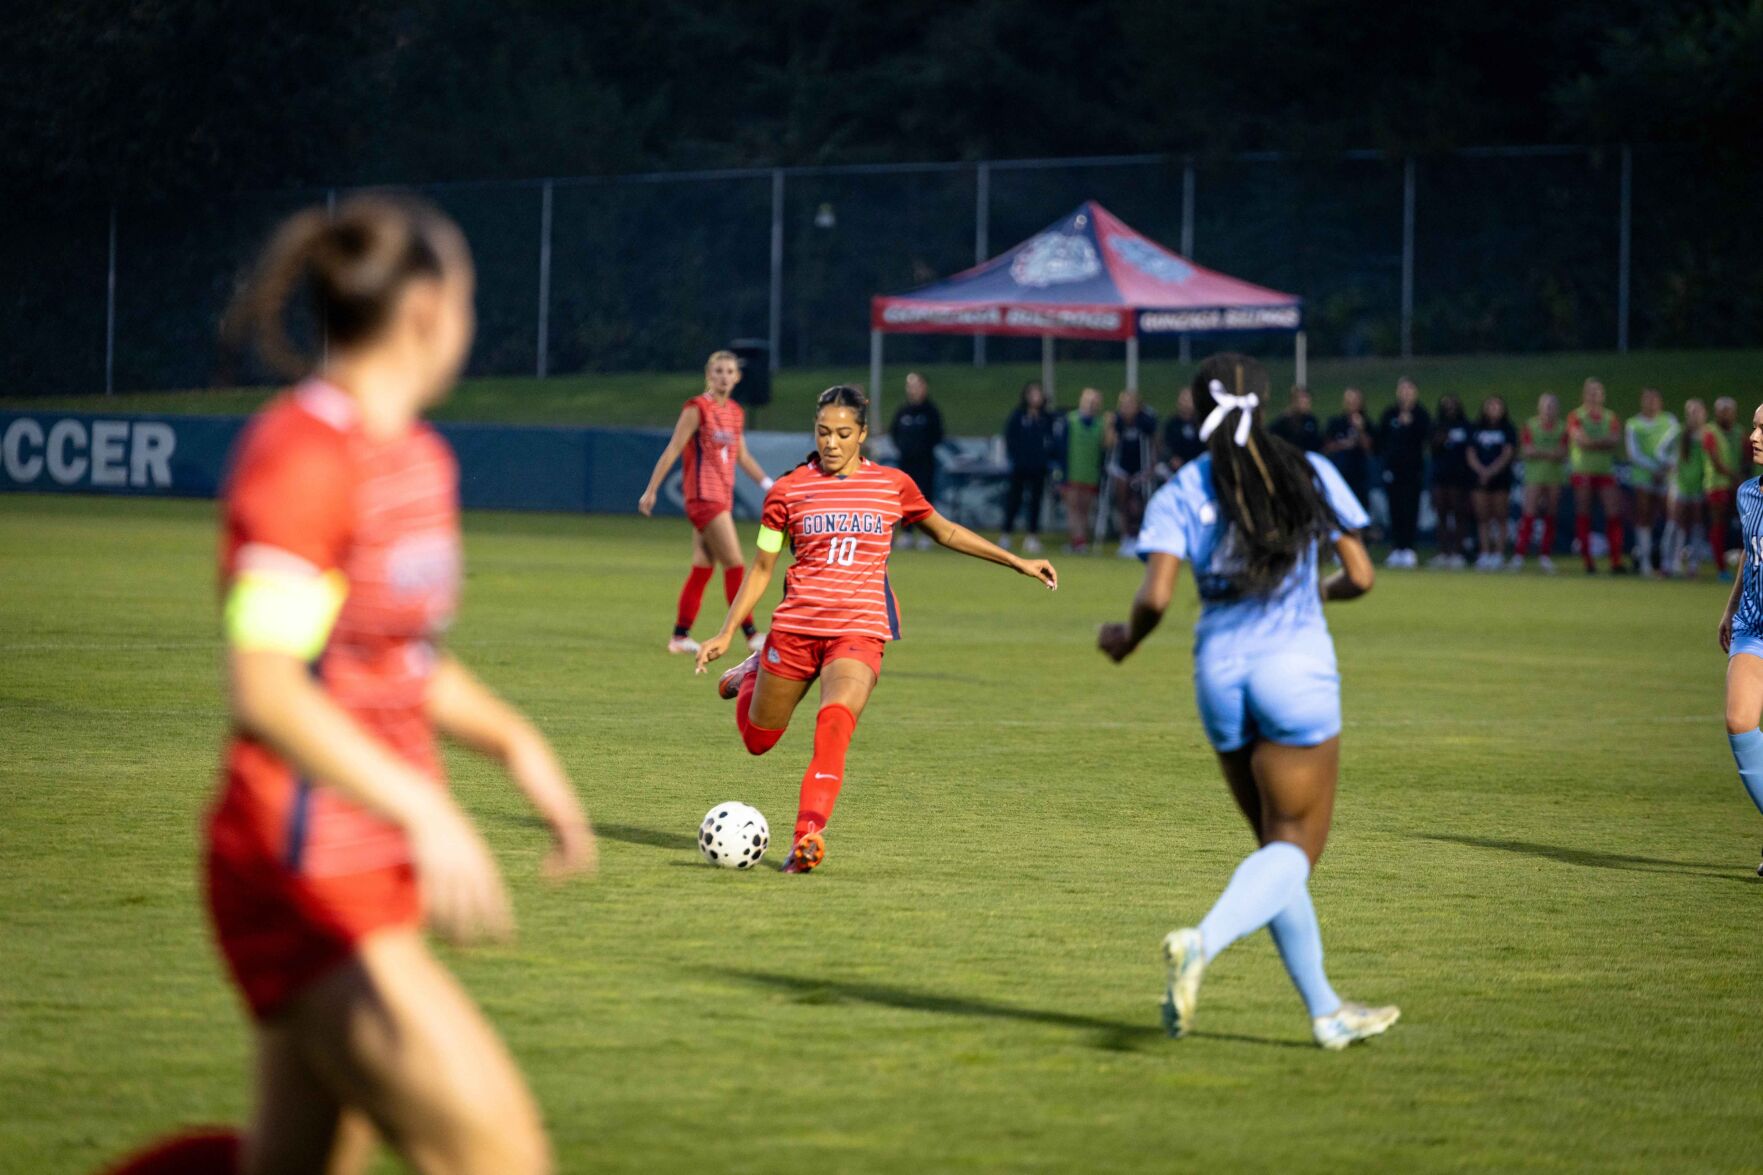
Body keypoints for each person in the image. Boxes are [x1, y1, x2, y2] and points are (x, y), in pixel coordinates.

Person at [106, 196, 594, 1175]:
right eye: (467, 298)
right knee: (500, 1157)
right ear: (424, 310)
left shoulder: (418, 458)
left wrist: (513, 742)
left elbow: (389, 657)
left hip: (367, 861)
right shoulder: (301, 456)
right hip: (299, 869)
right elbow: (267, 685)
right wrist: (426, 805)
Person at [1097, 352, 1396, 1051]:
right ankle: (1201, 942)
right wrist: (1318, 591)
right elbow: (1360, 574)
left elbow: (1156, 597)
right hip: (1295, 670)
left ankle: (1326, 1011)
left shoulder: (1183, 486)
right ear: (1265, 403)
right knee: (1293, 850)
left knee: (1272, 849)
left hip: (1218, 674)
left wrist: (1126, 640)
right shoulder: (1306, 469)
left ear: (1195, 410)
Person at [695, 386, 1057, 873]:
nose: (832, 442)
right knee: (757, 741)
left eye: (844, 433)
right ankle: (752, 672)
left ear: (863, 434)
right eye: (823, 432)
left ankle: (807, 838)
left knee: (835, 721)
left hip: (859, 629)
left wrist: (1017, 562)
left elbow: (946, 530)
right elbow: (762, 568)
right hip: (796, 630)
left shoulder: (893, 485)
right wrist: (726, 631)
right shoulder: (786, 491)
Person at [639, 350, 774, 654]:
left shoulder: (735, 412)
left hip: (721, 497)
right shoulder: (697, 408)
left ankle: (680, 635)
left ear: (737, 377)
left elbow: (742, 456)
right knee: (736, 564)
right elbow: (674, 448)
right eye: (718, 371)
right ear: (708, 375)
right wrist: (652, 489)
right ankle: (751, 634)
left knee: (703, 566)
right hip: (703, 497)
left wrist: (769, 485)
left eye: (729, 372)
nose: (724, 377)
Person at [1715, 399, 1763, 876]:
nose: (1753, 436)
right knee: (1738, 720)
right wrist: (1731, 608)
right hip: (1753, 623)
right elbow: (1751, 553)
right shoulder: (1748, 493)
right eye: (1753, 426)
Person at [1567, 378, 1626, 574]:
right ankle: (1588, 561)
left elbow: (1614, 440)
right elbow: (1580, 440)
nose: (1594, 396)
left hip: (1605, 470)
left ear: (1602, 396)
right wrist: (1602, 442)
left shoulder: (1610, 417)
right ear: (1584, 395)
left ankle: (1616, 561)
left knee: (1613, 513)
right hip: (1583, 470)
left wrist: (1592, 442)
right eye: (1590, 392)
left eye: (1597, 393)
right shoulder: (1576, 416)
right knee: (1583, 513)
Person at [1624, 388, 1679, 575]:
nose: (1651, 403)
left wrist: (1666, 467)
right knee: (1644, 516)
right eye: (1648, 400)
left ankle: (1670, 561)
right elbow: (1634, 453)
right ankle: (1645, 562)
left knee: (1672, 516)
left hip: (1666, 475)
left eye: (1654, 400)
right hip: (1644, 476)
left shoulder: (1669, 420)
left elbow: (1675, 447)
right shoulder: (1633, 424)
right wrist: (1654, 469)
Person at [1511, 393, 1568, 572]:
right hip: (1534, 476)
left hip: (1554, 476)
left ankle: (1545, 555)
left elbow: (1563, 452)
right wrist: (1551, 453)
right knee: (1528, 514)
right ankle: (1519, 555)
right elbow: (1527, 450)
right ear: (1539, 407)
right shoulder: (1531, 425)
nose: (1549, 409)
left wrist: (1540, 451)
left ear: (1557, 409)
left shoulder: (1562, 427)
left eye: (1552, 406)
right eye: (1546, 405)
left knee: (1551, 515)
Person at [1376, 378, 1429, 568]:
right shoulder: (1390, 413)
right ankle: (1397, 548)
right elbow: (1380, 440)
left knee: (1410, 509)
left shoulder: (1421, 414)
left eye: (1409, 389)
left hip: (1413, 471)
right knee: (1395, 509)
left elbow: (1427, 437)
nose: (1405, 393)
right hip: (1393, 470)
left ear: (1415, 392)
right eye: (1402, 389)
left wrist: (1411, 424)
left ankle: (1409, 548)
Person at [889, 371, 944, 550]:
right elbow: (894, 432)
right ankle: (907, 533)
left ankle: (926, 534)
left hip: (925, 462)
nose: (913, 390)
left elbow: (938, 434)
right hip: (906, 463)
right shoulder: (903, 412)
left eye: (917, 386)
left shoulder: (931, 412)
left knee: (925, 497)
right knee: (905, 498)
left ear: (924, 388)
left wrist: (922, 448)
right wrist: (904, 448)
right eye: (910, 386)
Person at [1000, 380, 1057, 553]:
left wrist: (1046, 458)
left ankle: (1032, 536)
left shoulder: (1046, 418)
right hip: (1020, 466)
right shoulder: (1018, 415)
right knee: (1014, 500)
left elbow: (1051, 440)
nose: (1035, 398)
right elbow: (1010, 437)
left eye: (1038, 394)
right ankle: (1006, 534)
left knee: (1035, 502)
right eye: (1032, 394)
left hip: (1038, 467)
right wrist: (1015, 457)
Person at [1105, 388, 1157, 557]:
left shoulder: (1145, 421)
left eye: (1130, 404)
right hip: (1122, 467)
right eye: (1123, 404)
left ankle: (1142, 536)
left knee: (1139, 504)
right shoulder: (1117, 421)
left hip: (1141, 467)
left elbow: (1153, 443)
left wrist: (1150, 467)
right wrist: (1110, 426)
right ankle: (1125, 537)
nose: (1126, 408)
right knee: (1123, 500)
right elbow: (1108, 444)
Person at [1467, 395, 1517, 570]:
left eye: (1498, 406)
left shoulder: (1507, 429)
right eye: (1491, 406)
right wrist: (1481, 471)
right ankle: (1485, 553)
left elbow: (1508, 452)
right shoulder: (1476, 428)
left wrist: (1492, 471)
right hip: (1479, 478)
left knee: (1500, 516)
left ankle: (1498, 554)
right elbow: (1470, 452)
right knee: (1482, 517)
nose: (1494, 409)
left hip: (1500, 478)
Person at [1055, 387, 1107, 553]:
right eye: (1088, 401)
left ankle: (1081, 540)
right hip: (1072, 472)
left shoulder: (1100, 424)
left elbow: (1105, 448)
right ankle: (1077, 540)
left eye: (1095, 402)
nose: (1091, 405)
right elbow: (1060, 448)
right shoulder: (1070, 420)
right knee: (1073, 508)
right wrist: (1060, 473)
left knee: (1085, 510)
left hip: (1090, 473)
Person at [1662, 398, 1710, 577]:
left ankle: (1693, 564)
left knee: (1697, 524)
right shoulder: (1679, 432)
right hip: (1680, 484)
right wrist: (1672, 463)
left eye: (1698, 412)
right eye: (1691, 413)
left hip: (1699, 484)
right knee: (1674, 522)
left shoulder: (1708, 434)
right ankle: (1667, 563)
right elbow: (1661, 450)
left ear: (1704, 414)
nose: (1694, 416)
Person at [1430, 396, 1473, 568]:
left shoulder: (1466, 427)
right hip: (1441, 476)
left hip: (1459, 477)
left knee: (1459, 514)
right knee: (1441, 514)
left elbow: (1471, 449)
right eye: (1447, 406)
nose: (1450, 409)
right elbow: (1431, 447)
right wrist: (1440, 438)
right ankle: (1443, 552)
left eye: (1453, 405)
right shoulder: (1437, 425)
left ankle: (1458, 552)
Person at [1322, 387, 1374, 513]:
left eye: (1356, 400)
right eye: (1349, 400)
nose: (1352, 403)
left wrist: (1360, 430)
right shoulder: (1335, 423)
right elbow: (1326, 448)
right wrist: (1343, 445)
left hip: (1360, 477)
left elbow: (1369, 450)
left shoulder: (1367, 423)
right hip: (1339, 476)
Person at [1159, 384, 1207, 480]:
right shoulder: (1171, 423)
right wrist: (1171, 458)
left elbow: (1207, 446)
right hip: (1175, 467)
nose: (1186, 403)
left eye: (1189, 399)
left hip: (1198, 465)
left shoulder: (1202, 423)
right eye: (1183, 400)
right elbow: (1164, 445)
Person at [1267, 384, 1322, 452]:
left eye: (1306, 401)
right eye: (1301, 400)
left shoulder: (1312, 421)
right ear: (1293, 401)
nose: (1304, 403)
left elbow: (1316, 443)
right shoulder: (1282, 422)